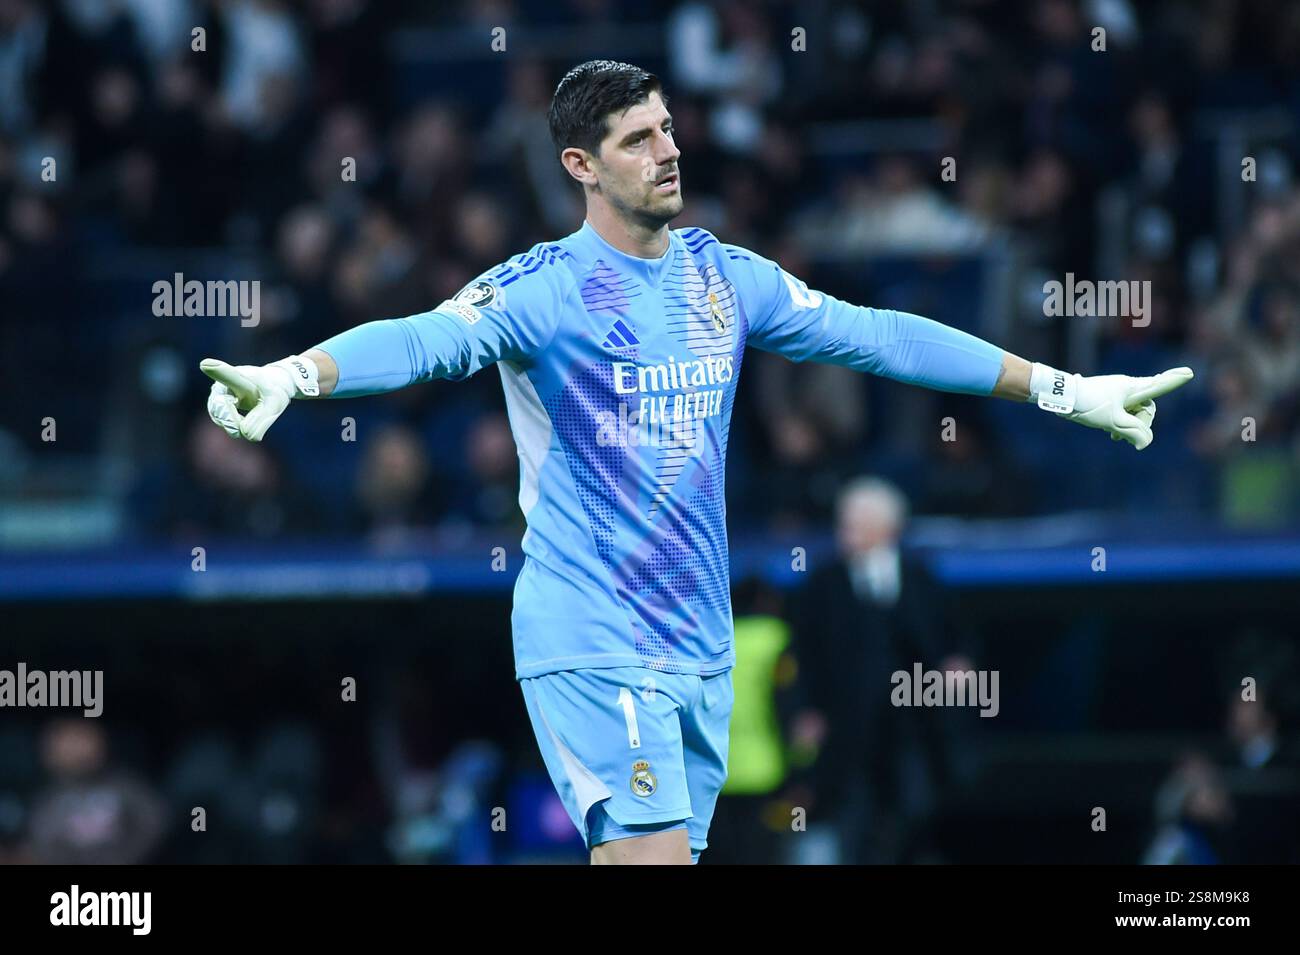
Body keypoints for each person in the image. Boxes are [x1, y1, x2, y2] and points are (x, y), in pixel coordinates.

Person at [198, 60, 1193, 865]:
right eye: (638, 139)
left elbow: (881, 335)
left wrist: (1069, 390)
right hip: (591, 630)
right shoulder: (541, 291)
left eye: (668, 128)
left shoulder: (726, 276)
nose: (668, 151)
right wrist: (296, 374)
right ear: (581, 166)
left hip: (697, 638)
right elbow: (420, 340)